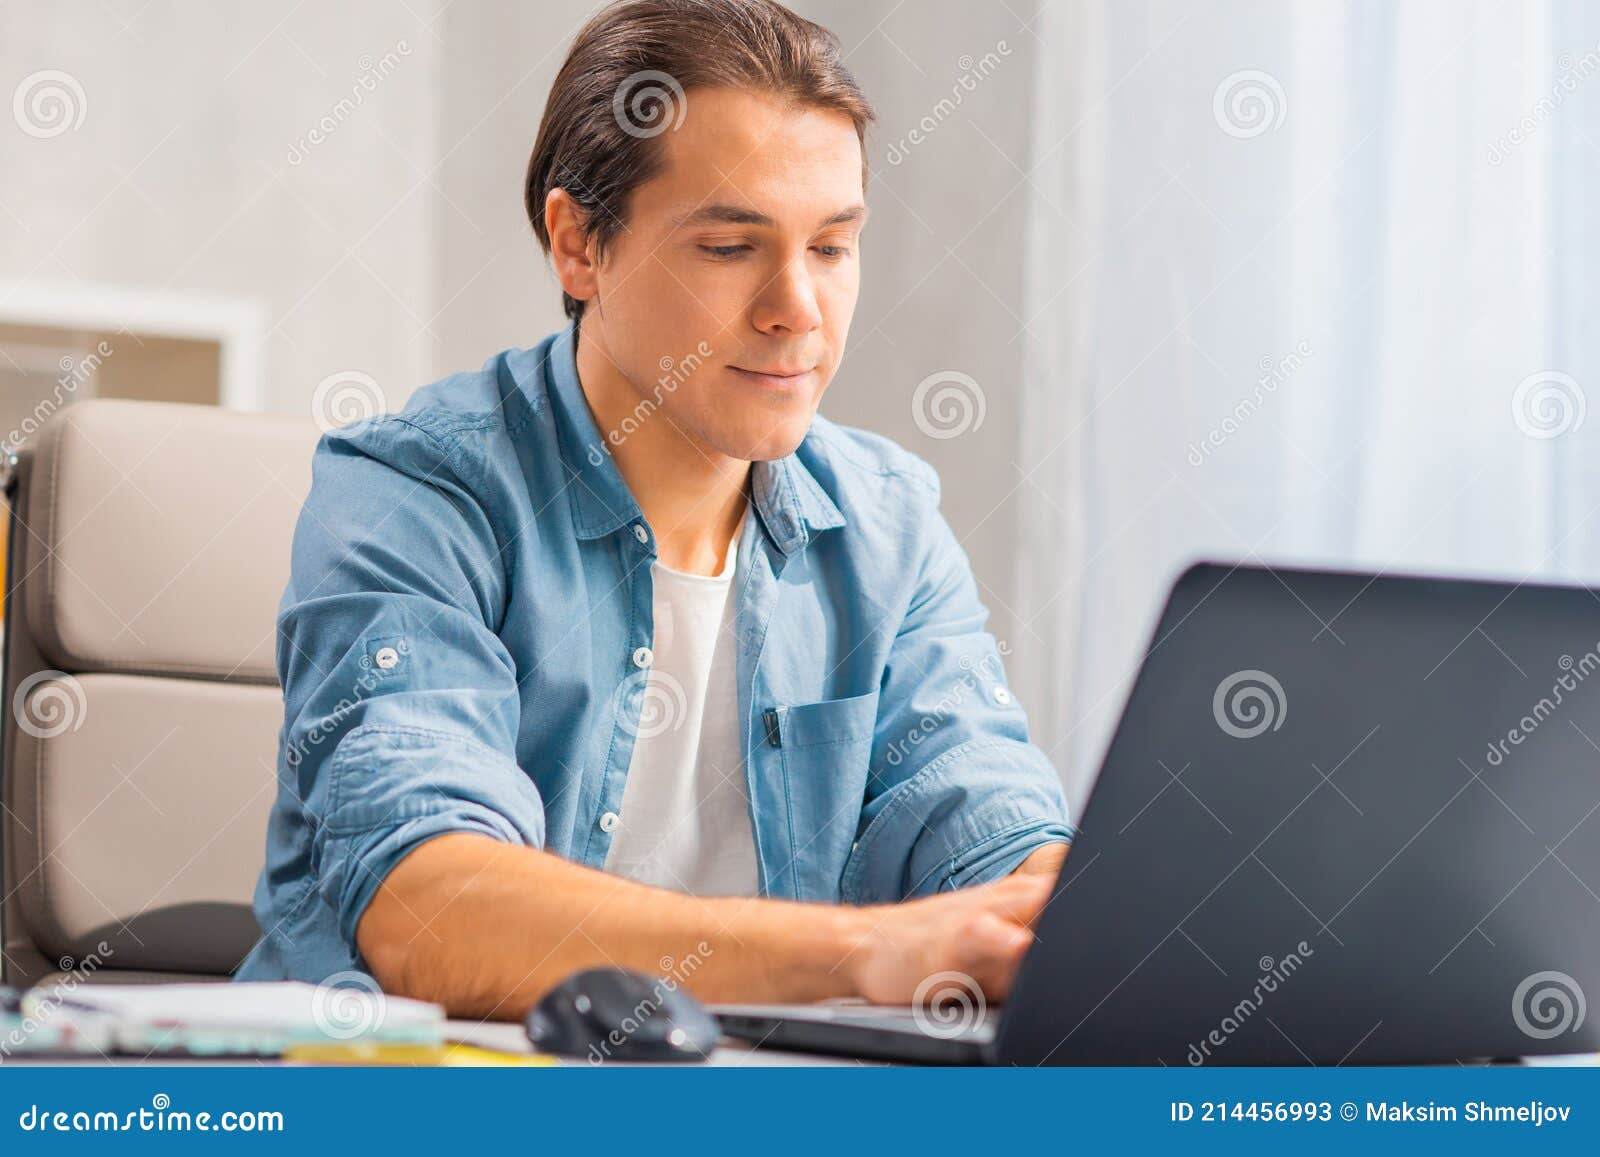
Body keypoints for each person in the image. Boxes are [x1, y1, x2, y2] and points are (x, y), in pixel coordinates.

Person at [239, 0, 1071, 1020]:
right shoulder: (414, 494)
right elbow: (432, 909)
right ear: (578, 244)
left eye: (831, 247)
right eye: (730, 246)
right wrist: (864, 948)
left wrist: (1077, 910)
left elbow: (988, 827)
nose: (797, 309)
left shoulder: (886, 523)